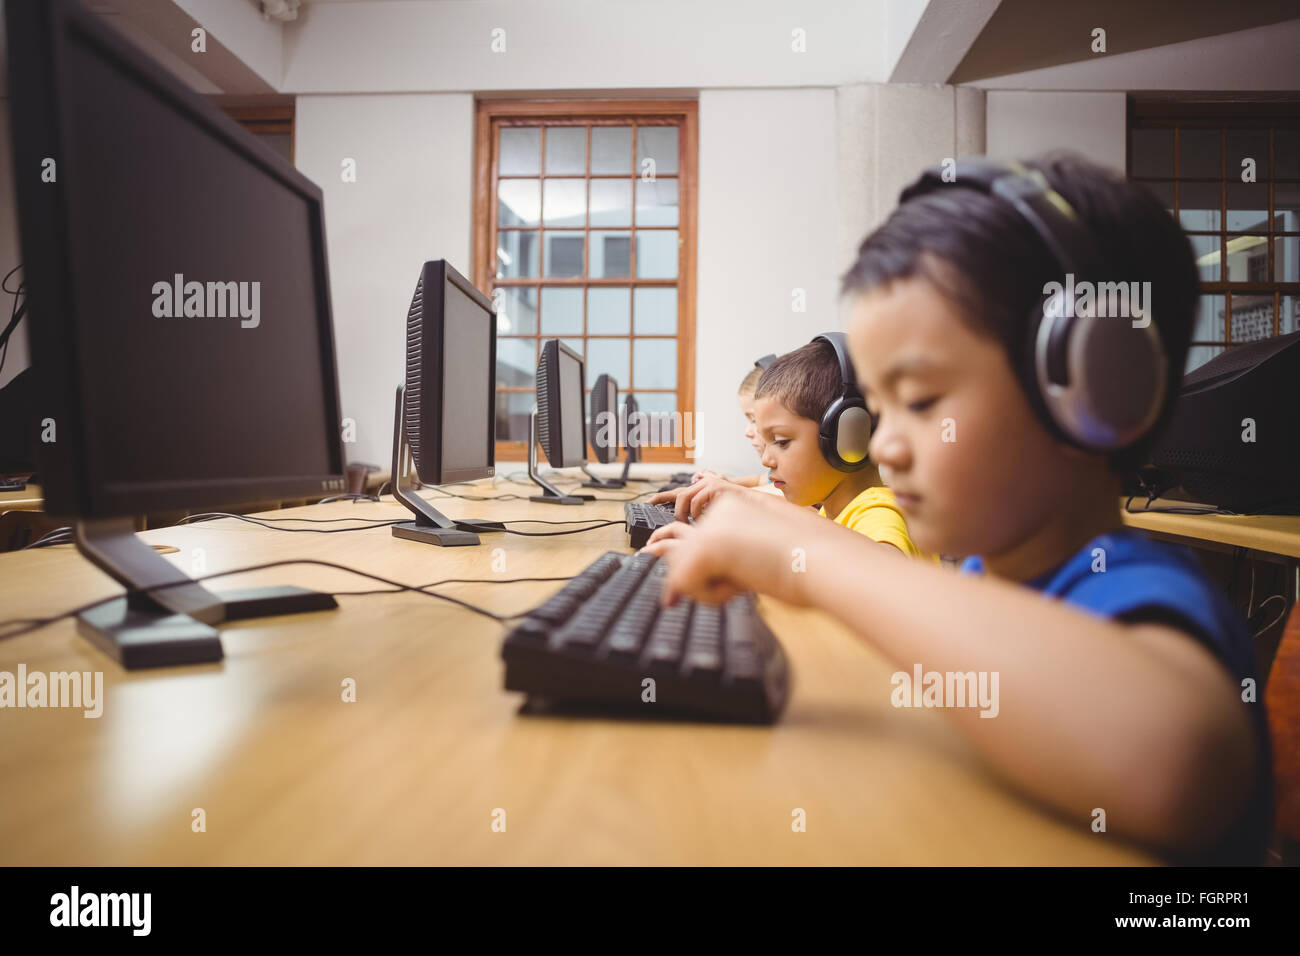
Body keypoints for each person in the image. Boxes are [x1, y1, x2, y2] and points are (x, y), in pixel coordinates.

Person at [646, 154, 1272, 864]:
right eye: (877, 411)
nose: (884, 444)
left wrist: (807, 564)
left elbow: (1171, 760)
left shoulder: (1138, 592)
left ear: (1094, 388)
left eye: (919, 403)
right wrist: (762, 527)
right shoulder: (988, 568)